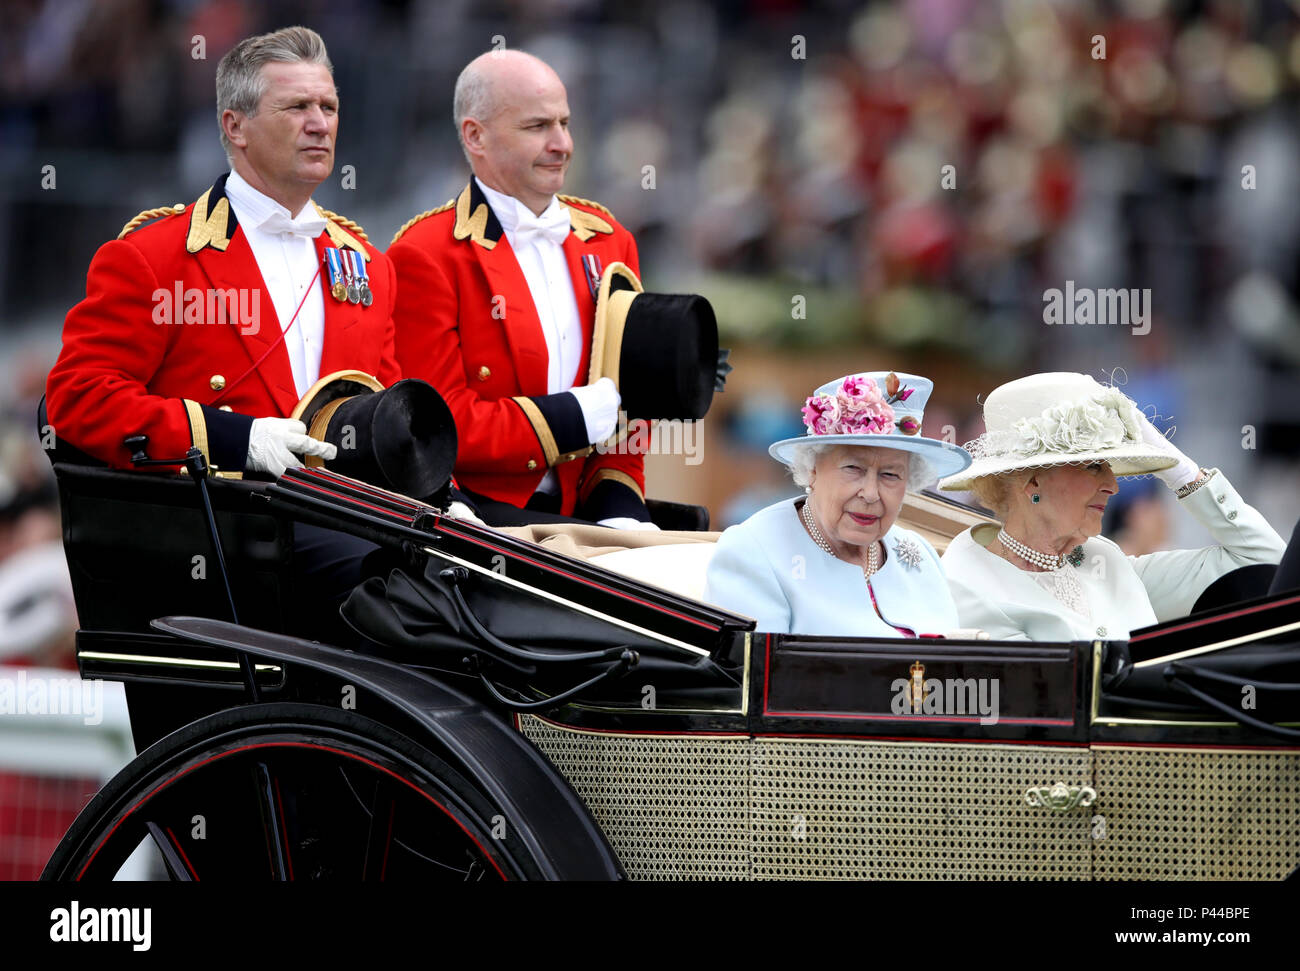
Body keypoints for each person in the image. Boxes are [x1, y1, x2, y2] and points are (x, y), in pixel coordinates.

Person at [43, 26, 406, 741]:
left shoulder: (365, 260)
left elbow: (385, 416)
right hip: (225, 548)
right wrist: (234, 436)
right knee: (399, 589)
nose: (319, 124)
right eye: (297, 107)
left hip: (342, 530)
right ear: (234, 127)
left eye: (329, 107)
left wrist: (444, 503)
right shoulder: (154, 257)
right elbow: (73, 402)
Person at [387, 50, 653, 528]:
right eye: (537, 127)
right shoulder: (425, 252)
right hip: (476, 516)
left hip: (585, 512)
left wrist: (618, 502)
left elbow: (629, 402)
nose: (562, 144)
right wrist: (569, 418)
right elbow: (436, 425)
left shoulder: (613, 241)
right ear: (476, 136)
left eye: (565, 123)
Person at [938, 372, 1286, 642]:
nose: (1113, 484)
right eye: (1093, 466)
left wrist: (1177, 469)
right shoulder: (971, 584)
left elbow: (1265, 563)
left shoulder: (1107, 564)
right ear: (1032, 482)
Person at [703, 372, 972, 636]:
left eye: (890, 474)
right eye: (853, 468)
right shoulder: (754, 552)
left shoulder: (920, 555)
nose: (870, 494)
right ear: (813, 469)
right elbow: (751, 675)